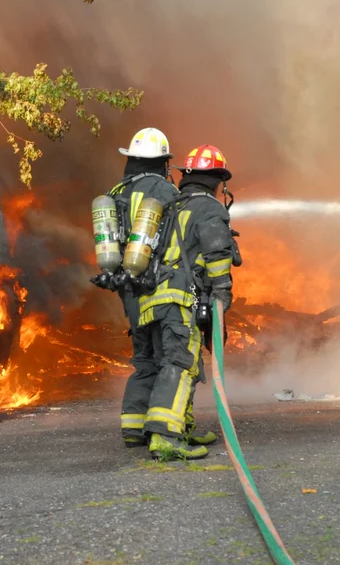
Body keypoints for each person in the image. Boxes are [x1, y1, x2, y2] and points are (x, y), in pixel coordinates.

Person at [135, 144, 240, 460]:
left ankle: (181, 426)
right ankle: (166, 437)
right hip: (181, 299)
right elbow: (217, 256)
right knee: (181, 364)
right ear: (218, 180)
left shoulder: (170, 207)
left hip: (154, 299)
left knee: (176, 363)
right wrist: (222, 294)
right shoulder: (210, 209)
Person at [95, 128, 179, 448]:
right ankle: (162, 427)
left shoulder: (116, 191)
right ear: (162, 162)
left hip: (127, 290)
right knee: (166, 357)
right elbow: (178, 236)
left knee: (143, 356)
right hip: (157, 287)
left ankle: (132, 425)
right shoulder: (164, 190)